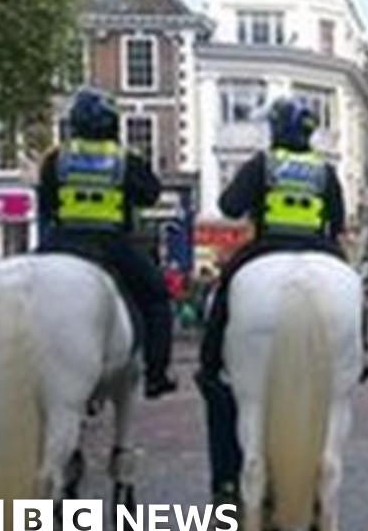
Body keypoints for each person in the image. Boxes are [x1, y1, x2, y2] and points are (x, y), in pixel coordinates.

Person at [196, 97, 346, 498]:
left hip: (266, 247)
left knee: (225, 297)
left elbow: (229, 207)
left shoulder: (263, 164)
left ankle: (210, 364)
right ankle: (358, 352)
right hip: (319, 247)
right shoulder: (325, 171)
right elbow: (338, 221)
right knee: (350, 287)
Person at [38, 88, 176, 398]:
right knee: (156, 298)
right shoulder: (124, 159)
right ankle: (156, 373)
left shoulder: (56, 158)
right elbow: (151, 194)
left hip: (62, 240)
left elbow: (46, 204)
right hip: (110, 243)